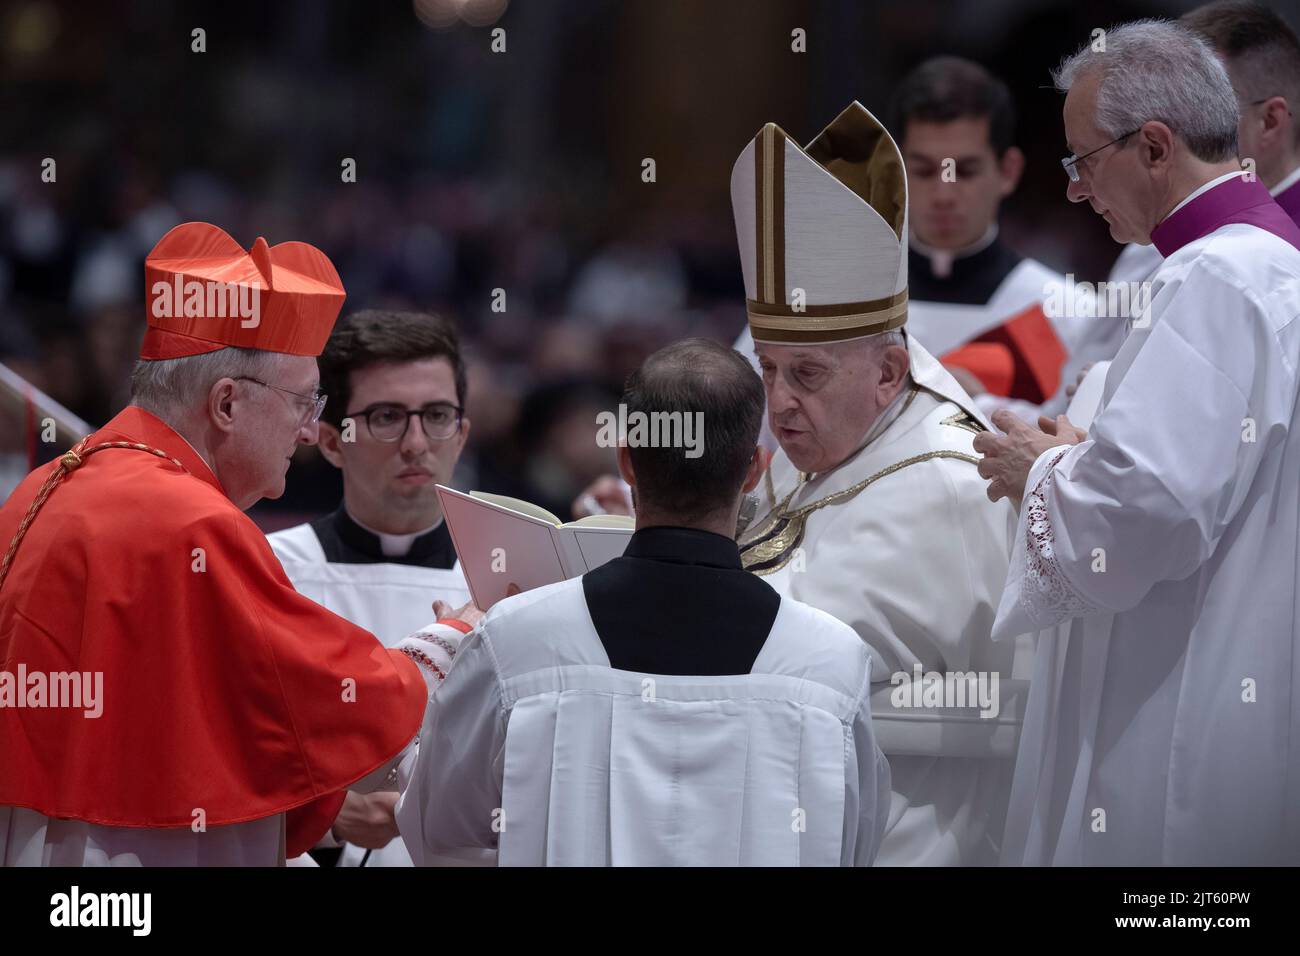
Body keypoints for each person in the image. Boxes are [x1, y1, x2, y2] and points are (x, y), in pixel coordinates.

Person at [0, 222, 443, 866]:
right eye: (303, 402)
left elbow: (188, 726)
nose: (307, 431)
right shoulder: (189, 521)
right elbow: (337, 704)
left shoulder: (49, 484)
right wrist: (452, 641)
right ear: (227, 404)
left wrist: (323, 812)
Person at [976, 20, 1300, 865]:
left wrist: (1042, 468)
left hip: (1183, 685)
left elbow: (1145, 511)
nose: (1075, 190)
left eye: (1083, 160)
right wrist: (1088, 450)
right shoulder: (1263, 261)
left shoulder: (1214, 278)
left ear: (1154, 146)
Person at [397, 339, 891, 866]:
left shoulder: (516, 639)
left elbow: (437, 830)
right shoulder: (829, 661)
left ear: (627, 462)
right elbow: (853, 845)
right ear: (753, 470)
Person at [727, 102, 1021, 866]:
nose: (778, 403)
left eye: (807, 373)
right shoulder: (829, 437)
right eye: (767, 369)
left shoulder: (954, 485)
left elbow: (795, 653)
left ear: (889, 372)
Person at [268, 309, 474, 866]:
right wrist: (325, 813)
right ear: (331, 442)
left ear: (462, 434)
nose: (416, 443)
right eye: (386, 417)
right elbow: (229, 755)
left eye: (437, 415)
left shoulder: (507, 583)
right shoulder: (270, 571)